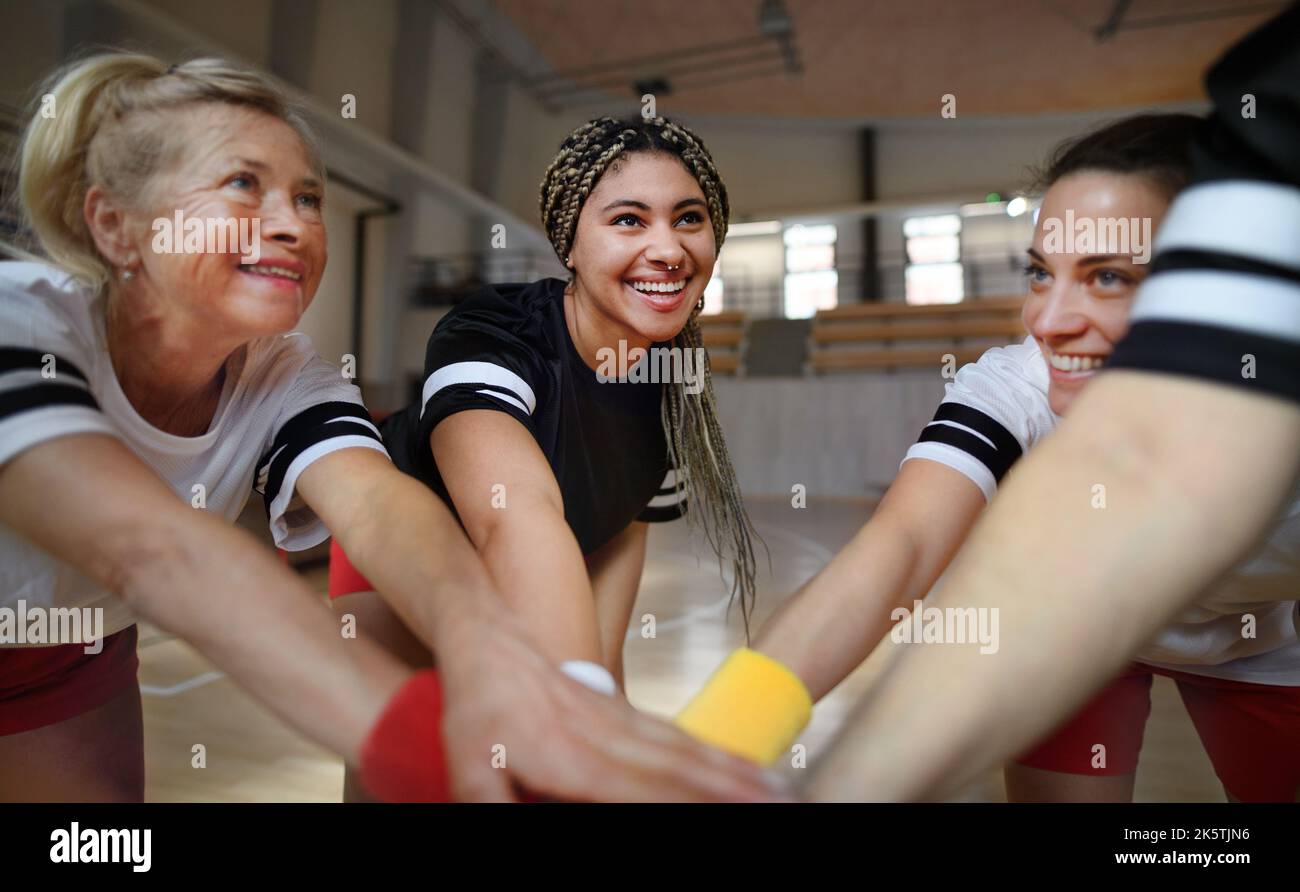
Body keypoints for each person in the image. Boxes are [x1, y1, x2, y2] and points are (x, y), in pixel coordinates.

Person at [0, 53, 778, 803]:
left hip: (76, 653)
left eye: (308, 199)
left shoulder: (283, 373)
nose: (292, 225)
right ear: (114, 225)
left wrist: (517, 667)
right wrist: (436, 740)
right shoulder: (20, 320)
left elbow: (378, 505)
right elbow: (149, 550)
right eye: (245, 185)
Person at [679, 112, 1300, 802]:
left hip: (1268, 648)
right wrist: (707, 745)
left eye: (1109, 278)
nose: (1047, 320)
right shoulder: (1020, 380)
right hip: (1076, 620)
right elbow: (903, 543)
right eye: (1041, 273)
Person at [329, 114, 768, 799]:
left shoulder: (672, 385)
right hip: (402, 548)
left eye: (689, 218)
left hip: (546, 563)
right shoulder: (491, 333)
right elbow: (516, 516)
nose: (669, 247)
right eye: (628, 220)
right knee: (417, 759)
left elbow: (611, 573)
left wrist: (602, 714)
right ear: (570, 242)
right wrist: (580, 708)